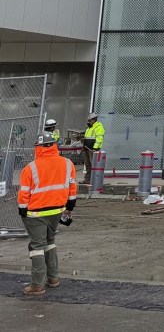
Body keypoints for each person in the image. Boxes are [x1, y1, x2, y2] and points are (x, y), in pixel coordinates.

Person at [17, 132, 77, 295]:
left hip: (35, 214)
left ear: (40, 147)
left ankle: (37, 285)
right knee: (50, 242)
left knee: (37, 247)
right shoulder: (67, 164)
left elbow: (24, 193)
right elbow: (72, 188)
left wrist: (23, 211)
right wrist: (70, 207)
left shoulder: (31, 168)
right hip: (56, 212)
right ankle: (53, 278)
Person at [81, 113, 104, 182]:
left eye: (90, 120)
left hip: (93, 150)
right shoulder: (89, 128)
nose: (88, 122)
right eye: (88, 120)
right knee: (88, 165)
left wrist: (95, 148)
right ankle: (87, 179)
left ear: (94, 120)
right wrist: (84, 147)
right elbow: (87, 138)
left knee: (94, 165)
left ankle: (95, 180)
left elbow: (99, 139)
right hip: (87, 148)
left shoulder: (99, 127)